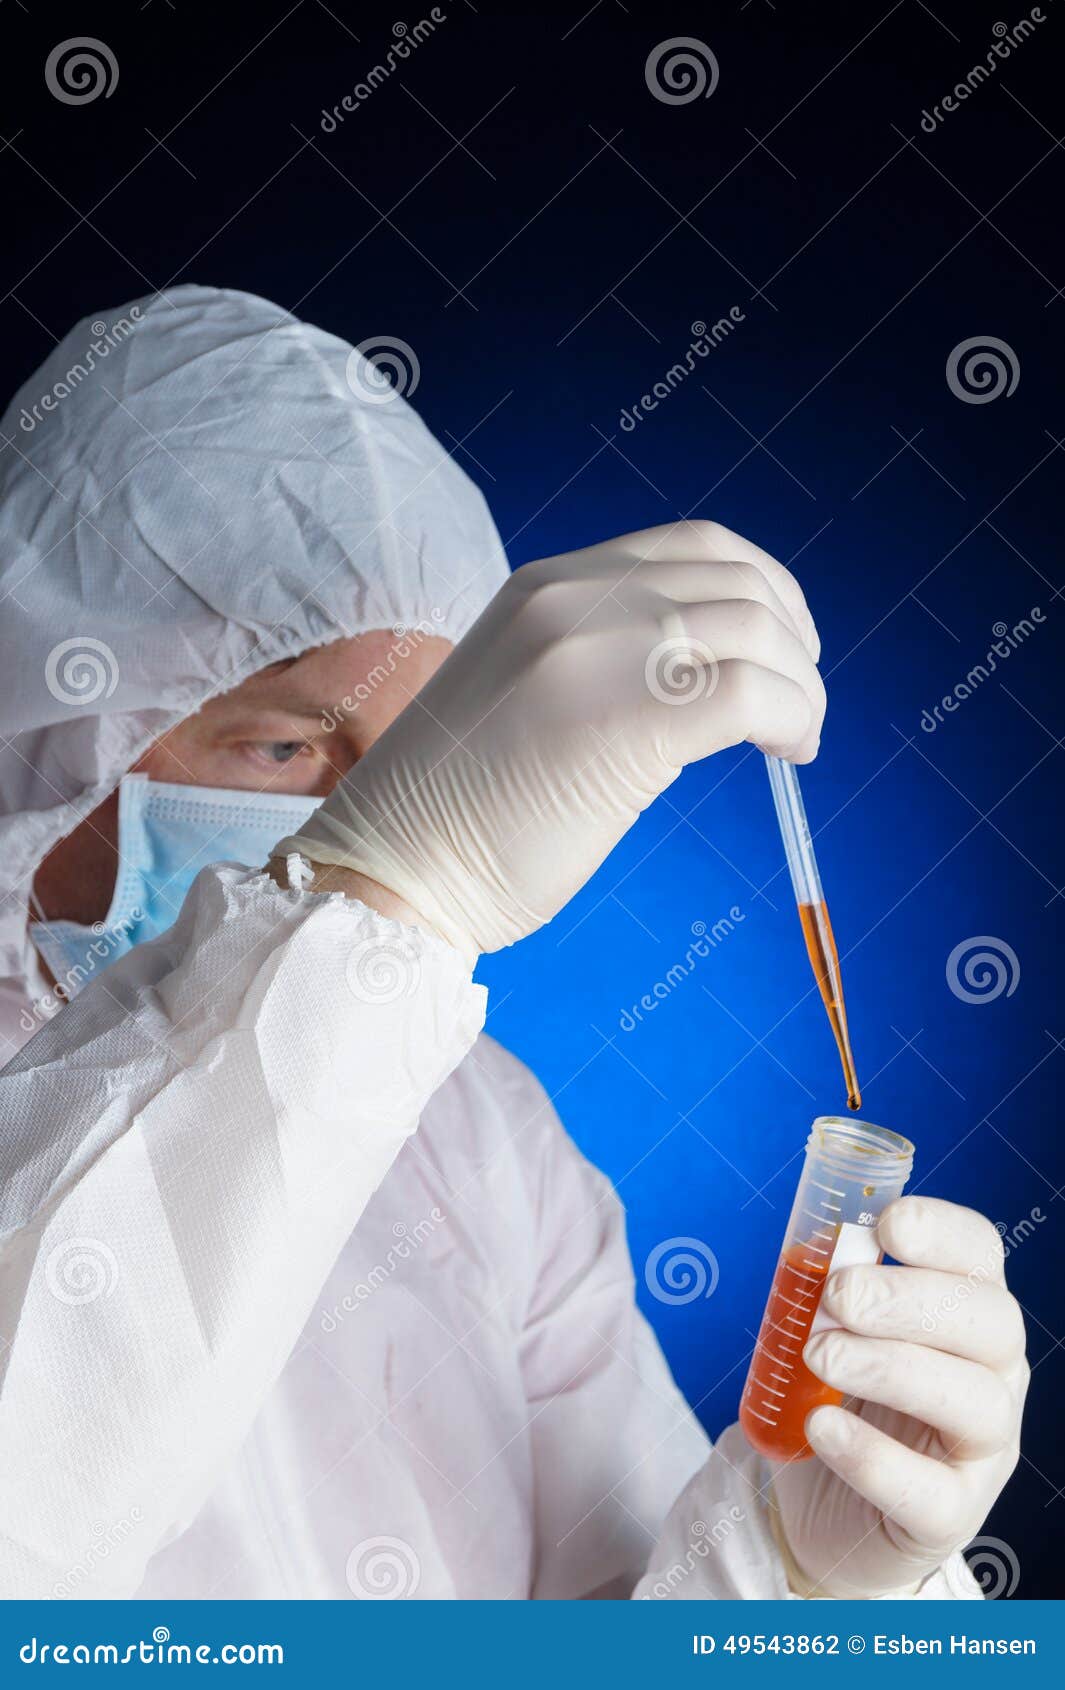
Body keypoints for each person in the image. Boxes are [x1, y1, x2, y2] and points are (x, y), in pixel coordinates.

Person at [0, 287, 1026, 1601]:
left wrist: (799, 1578)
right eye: (283, 742)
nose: (367, 806)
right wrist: (385, 886)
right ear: (51, 715)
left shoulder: (477, 1142)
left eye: (427, 754)